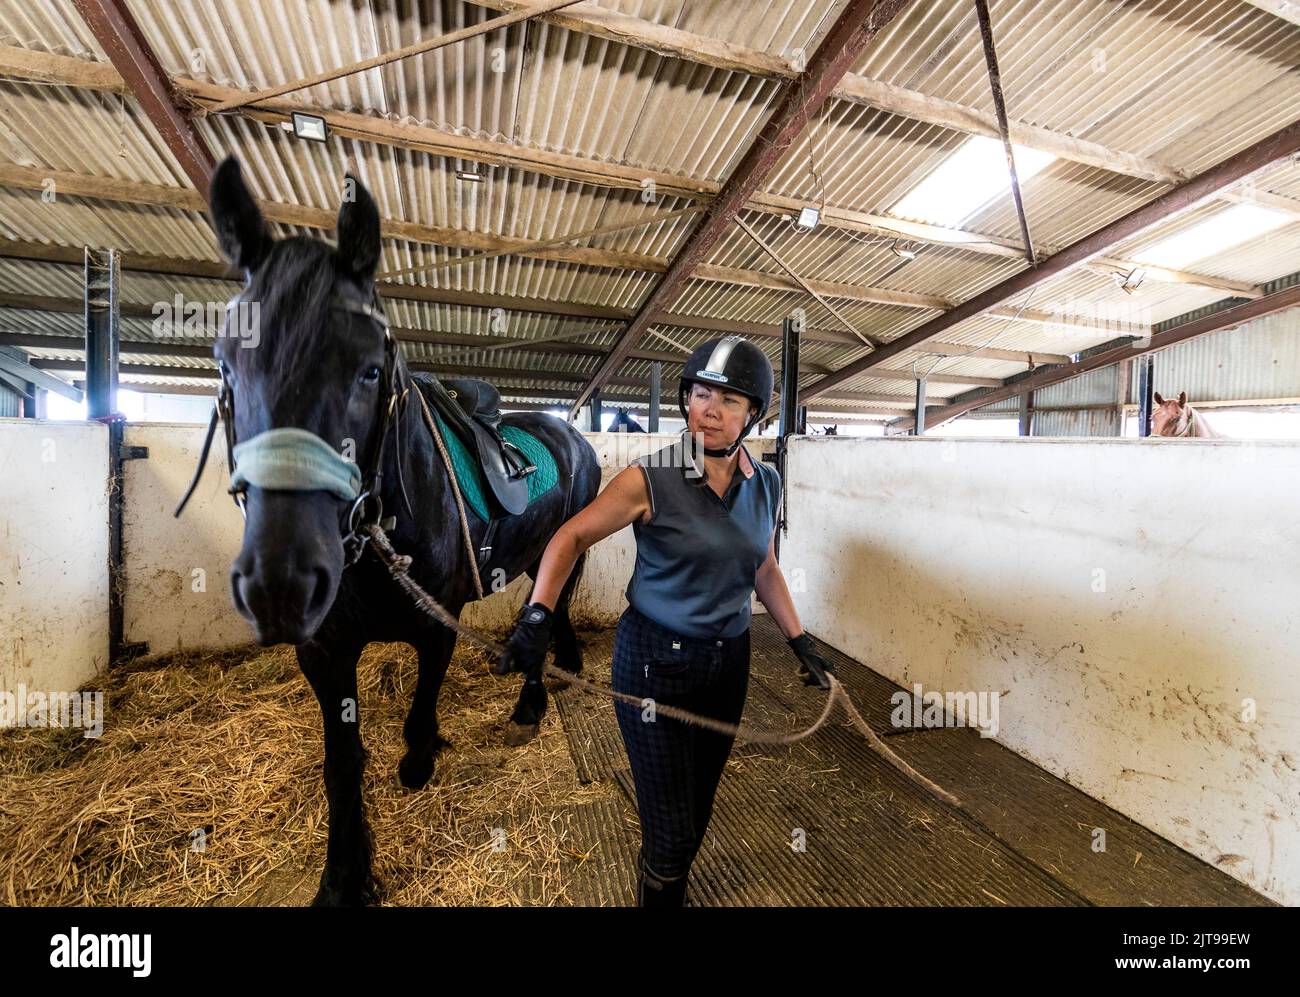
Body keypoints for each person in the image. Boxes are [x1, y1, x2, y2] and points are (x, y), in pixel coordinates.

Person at [497, 334, 836, 906]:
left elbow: (766, 567)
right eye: (701, 392)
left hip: (729, 664)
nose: (709, 408)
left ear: (753, 413)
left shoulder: (766, 483)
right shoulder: (649, 478)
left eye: (729, 399)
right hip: (653, 663)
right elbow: (570, 535)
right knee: (673, 829)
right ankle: (662, 883)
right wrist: (537, 616)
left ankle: (660, 870)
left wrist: (799, 640)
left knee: (697, 806)